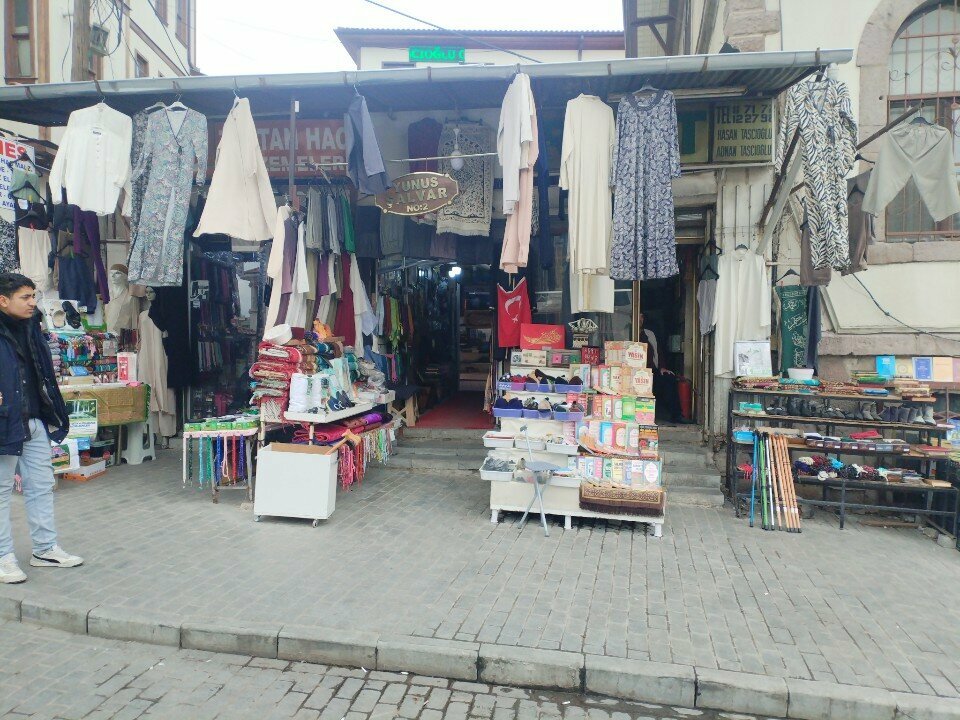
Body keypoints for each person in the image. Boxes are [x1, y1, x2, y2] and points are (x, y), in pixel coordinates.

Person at [0, 272, 82, 584]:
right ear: (3, 300)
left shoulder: (32, 329)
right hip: (4, 421)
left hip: (34, 419)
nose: (33, 302)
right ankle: (3, 556)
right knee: (2, 491)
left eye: (34, 296)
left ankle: (45, 549)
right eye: (26, 297)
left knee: (40, 486)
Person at [639, 313, 682, 424]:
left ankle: (676, 416)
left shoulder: (649, 334)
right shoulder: (627, 331)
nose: (639, 319)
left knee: (669, 378)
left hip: (652, 371)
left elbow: (658, 352)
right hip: (635, 372)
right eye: (637, 316)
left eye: (642, 317)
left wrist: (662, 367)